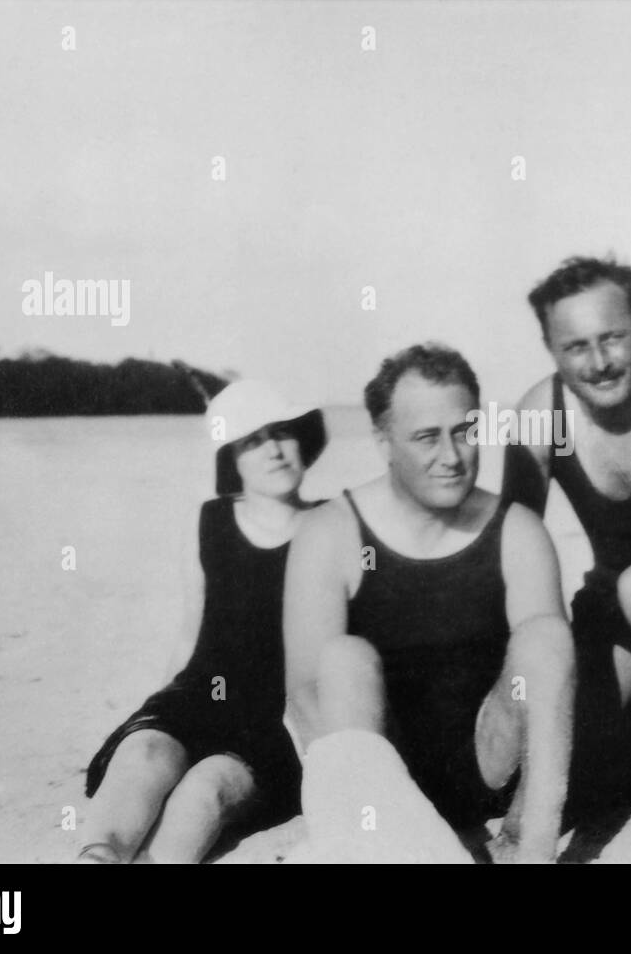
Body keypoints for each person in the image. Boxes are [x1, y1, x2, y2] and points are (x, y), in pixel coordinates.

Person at [282, 344, 575, 863]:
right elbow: (307, 701)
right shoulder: (329, 532)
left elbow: (549, 682)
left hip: (489, 764)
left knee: (548, 636)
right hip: (382, 769)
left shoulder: (517, 532)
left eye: (464, 431)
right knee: (342, 658)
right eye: (426, 437)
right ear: (383, 442)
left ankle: (533, 849)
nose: (452, 456)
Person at [77, 380, 326, 863]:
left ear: (305, 437)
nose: (272, 450)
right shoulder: (209, 522)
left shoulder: (332, 524)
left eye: (282, 433)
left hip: (275, 721)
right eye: (252, 441)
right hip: (200, 694)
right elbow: (193, 628)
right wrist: (158, 710)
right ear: (230, 457)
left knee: (204, 790)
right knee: (146, 754)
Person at [502, 255, 631, 815]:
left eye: (613, 338)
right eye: (576, 347)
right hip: (611, 612)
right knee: (562, 751)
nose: (599, 363)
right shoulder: (539, 415)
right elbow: (510, 550)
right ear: (551, 349)